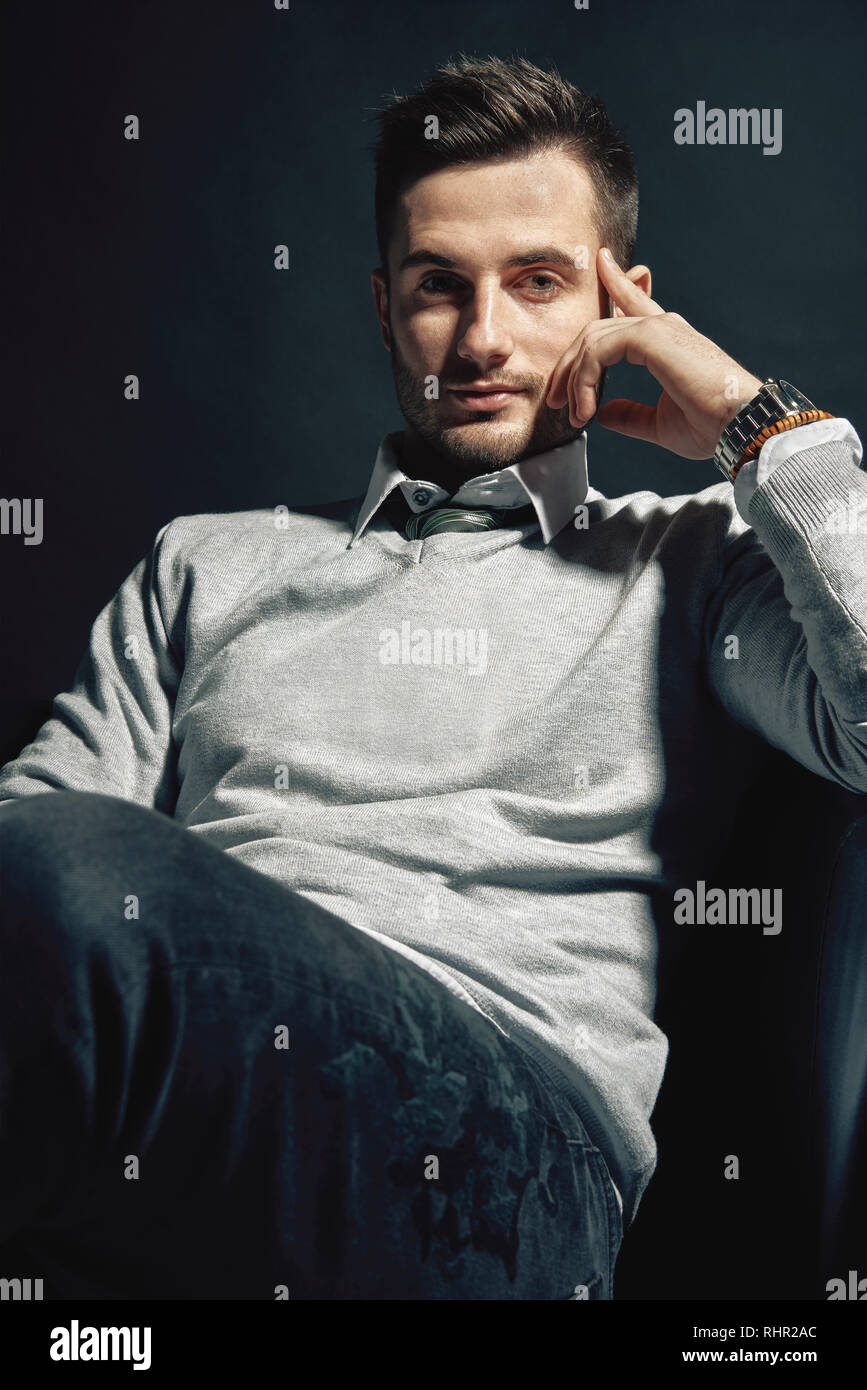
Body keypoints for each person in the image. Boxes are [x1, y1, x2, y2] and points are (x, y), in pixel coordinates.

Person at [1, 54, 865, 1301]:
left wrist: (751, 422)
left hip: (511, 1150)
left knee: (70, 875)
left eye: (538, 282)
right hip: (188, 1097)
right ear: (381, 305)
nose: (482, 337)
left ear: (627, 306)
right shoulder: (206, 560)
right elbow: (31, 862)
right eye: (436, 288)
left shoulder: (689, 566)